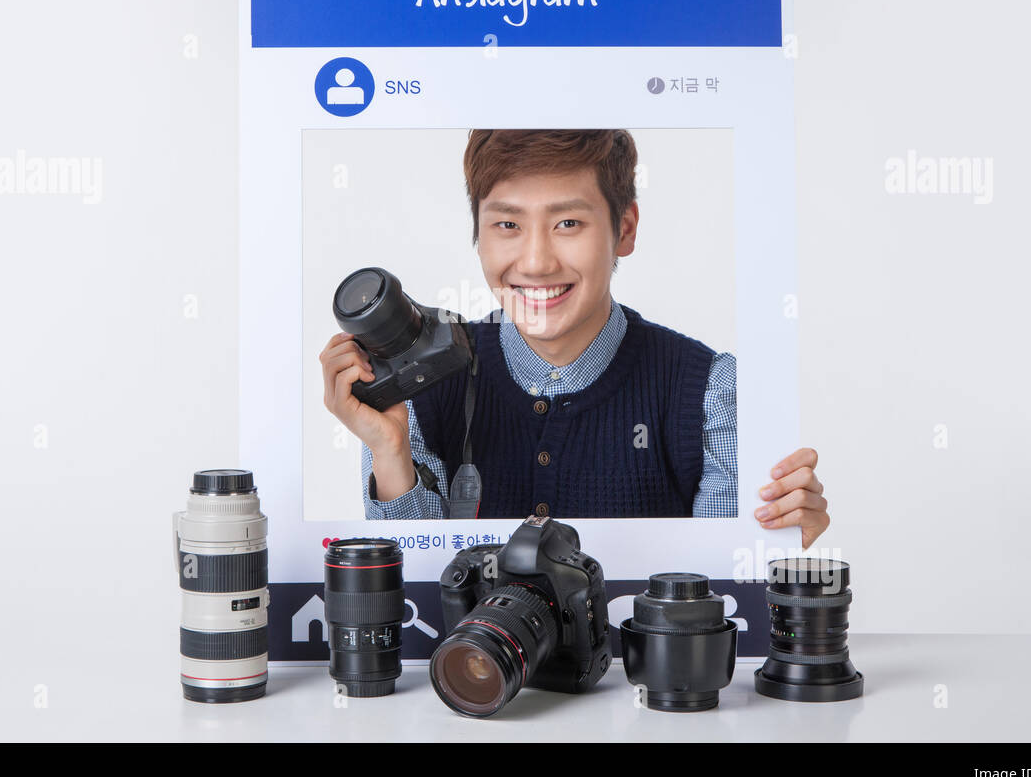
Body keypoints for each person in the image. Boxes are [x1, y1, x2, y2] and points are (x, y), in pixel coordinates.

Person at [320, 129, 830, 548]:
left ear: (624, 229)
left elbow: (724, 601)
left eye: (567, 222)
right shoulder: (421, 386)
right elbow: (413, 615)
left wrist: (777, 546)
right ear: (477, 232)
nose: (537, 262)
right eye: (507, 223)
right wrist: (390, 454)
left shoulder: (708, 391)